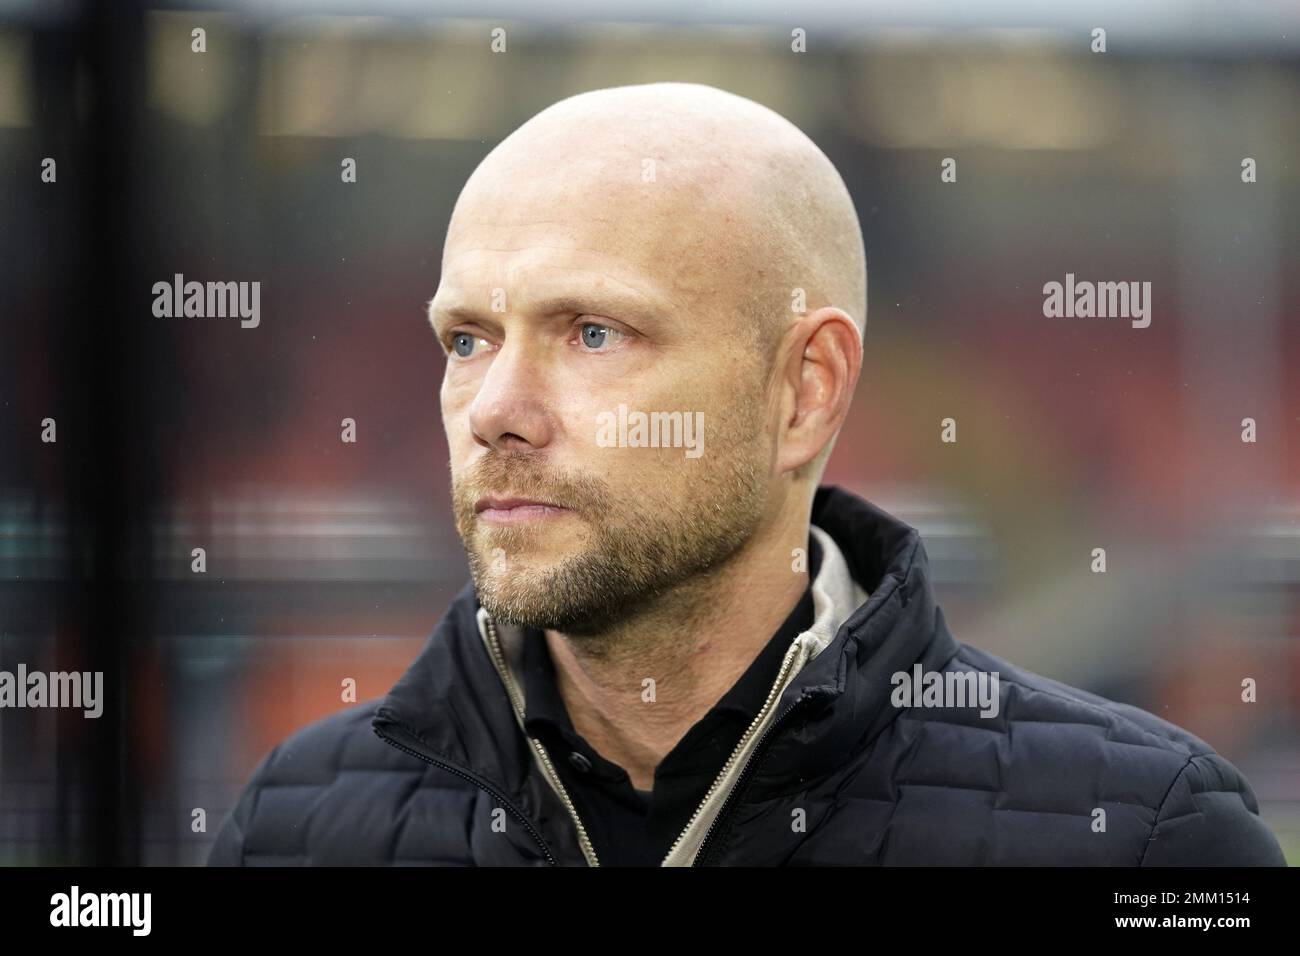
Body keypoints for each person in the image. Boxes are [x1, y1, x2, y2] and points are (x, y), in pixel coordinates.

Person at [208, 82, 1285, 866]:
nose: (493, 410)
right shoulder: (292, 823)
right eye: (465, 340)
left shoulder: (1149, 840)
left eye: (591, 332)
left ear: (804, 390)